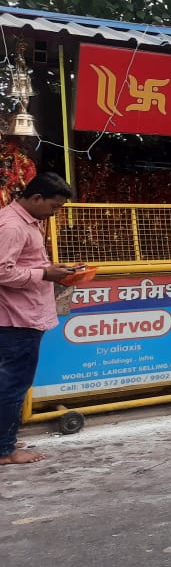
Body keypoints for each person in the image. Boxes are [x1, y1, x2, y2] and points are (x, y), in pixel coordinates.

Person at [0, 172, 76, 467]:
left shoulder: (25, 222)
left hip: (24, 314)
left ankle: (5, 438)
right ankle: (5, 451)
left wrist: (52, 269)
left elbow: (22, 264)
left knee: (12, 382)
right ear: (36, 198)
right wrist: (45, 273)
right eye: (54, 207)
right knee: (13, 384)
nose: (55, 214)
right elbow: (2, 271)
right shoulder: (12, 226)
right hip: (17, 319)